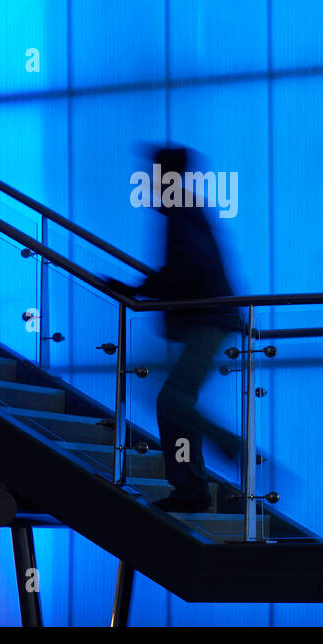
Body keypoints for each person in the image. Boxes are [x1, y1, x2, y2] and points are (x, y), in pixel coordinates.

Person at [109, 146, 244, 513]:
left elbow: (186, 264)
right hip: (210, 318)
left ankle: (229, 454)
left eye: (154, 171)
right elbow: (185, 263)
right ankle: (192, 486)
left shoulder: (180, 207)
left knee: (173, 401)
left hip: (210, 318)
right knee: (174, 403)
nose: (149, 178)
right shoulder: (183, 205)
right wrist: (141, 288)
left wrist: (139, 289)